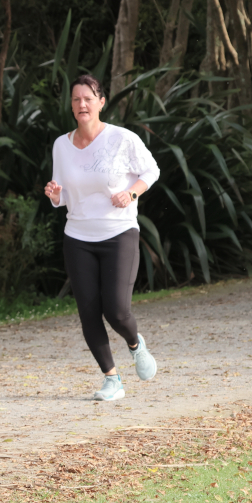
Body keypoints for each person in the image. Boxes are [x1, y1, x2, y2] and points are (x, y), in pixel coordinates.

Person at [45, 74, 160, 401]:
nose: (82, 104)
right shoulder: (61, 146)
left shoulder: (122, 139)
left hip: (119, 232)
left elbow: (151, 171)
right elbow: (64, 196)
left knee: (117, 310)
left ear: (101, 102)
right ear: (71, 105)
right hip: (78, 236)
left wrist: (131, 194)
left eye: (88, 98)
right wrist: (55, 194)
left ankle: (136, 345)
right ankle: (112, 379)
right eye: (76, 99)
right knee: (88, 311)